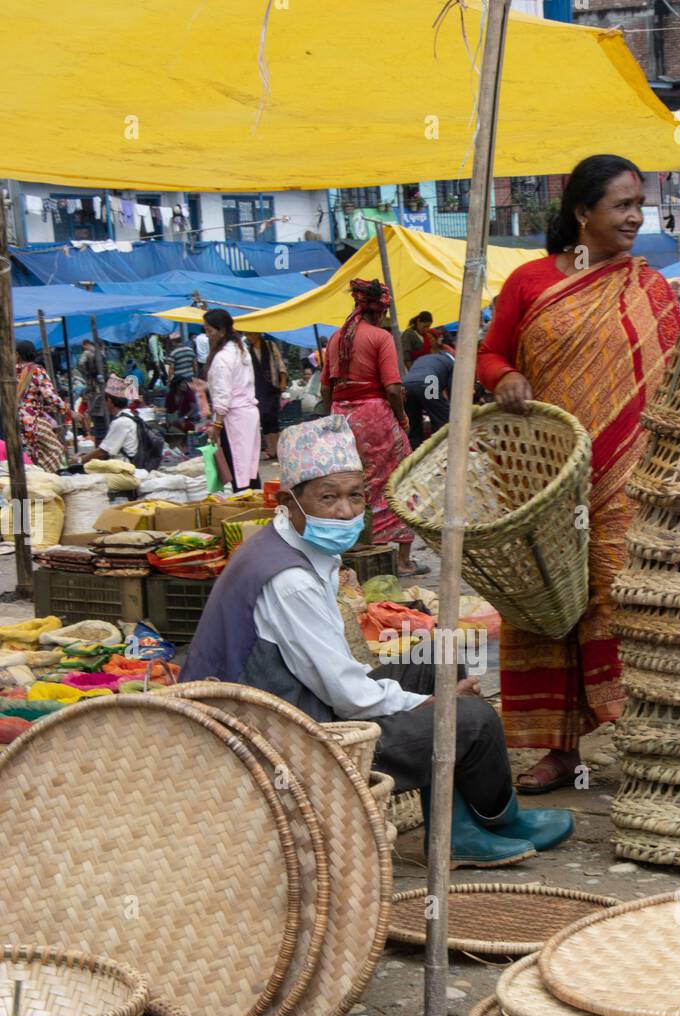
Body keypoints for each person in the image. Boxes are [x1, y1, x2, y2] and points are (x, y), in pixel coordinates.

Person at [180, 415, 572, 868]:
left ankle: (460, 826)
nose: (347, 512)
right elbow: (348, 695)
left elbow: (339, 677)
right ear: (290, 501)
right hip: (293, 743)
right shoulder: (289, 578)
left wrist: (424, 694)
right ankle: (496, 818)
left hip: (303, 707)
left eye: (355, 496)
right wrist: (427, 703)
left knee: (440, 656)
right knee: (473, 719)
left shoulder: (291, 545)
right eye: (328, 498)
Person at [476, 154, 680, 794]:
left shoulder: (647, 286)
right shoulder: (530, 280)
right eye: (622, 205)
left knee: (627, 600)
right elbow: (488, 354)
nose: (635, 216)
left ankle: (644, 736)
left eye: (638, 204)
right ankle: (558, 751)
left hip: (630, 472)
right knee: (547, 604)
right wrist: (504, 377)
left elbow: (676, 377)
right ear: (582, 212)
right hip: (546, 476)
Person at [319, 278, 426, 576]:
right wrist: (402, 418)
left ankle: (355, 546)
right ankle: (403, 561)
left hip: (341, 419)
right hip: (375, 416)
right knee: (400, 480)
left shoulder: (335, 338)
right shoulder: (380, 337)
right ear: (380, 310)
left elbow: (325, 389)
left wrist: (334, 418)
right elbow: (392, 388)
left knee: (353, 484)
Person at [201, 308, 262, 491]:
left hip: (234, 418)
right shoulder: (240, 350)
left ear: (221, 331)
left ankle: (246, 506)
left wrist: (216, 427)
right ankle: (255, 503)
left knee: (237, 468)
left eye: (209, 331)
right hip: (248, 415)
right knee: (249, 467)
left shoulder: (222, 357)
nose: (208, 336)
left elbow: (223, 396)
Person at [15, 340, 66, 473]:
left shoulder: (9, 371)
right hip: (30, 419)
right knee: (56, 449)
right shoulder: (36, 370)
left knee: (27, 455)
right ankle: (43, 477)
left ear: (18, 355)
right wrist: (67, 410)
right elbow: (49, 396)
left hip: (11, 419)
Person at [403, 339, 454, 450]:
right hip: (428, 382)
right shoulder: (451, 362)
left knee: (414, 428)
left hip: (405, 384)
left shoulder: (424, 358)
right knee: (442, 424)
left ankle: (414, 460)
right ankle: (440, 454)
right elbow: (453, 393)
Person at [79, 374, 143, 464]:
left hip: (123, 466)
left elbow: (102, 452)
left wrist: (80, 459)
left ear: (109, 401)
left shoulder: (121, 422)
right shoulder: (130, 416)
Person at [245, 331, 287, 459]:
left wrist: (283, 381)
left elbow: (280, 363)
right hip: (258, 389)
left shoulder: (269, 345)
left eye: (250, 334)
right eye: (247, 335)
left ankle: (279, 449)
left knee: (273, 418)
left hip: (272, 386)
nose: (249, 337)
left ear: (257, 334)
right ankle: (271, 450)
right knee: (264, 418)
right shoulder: (247, 351)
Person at [77, 337, 108, 442]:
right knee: (101, 410)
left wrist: (86, 374)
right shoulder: (101, 353)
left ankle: (92, 434)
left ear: (86, 344)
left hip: (92, 384)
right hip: (103, 385)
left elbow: (80, 364)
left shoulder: (87, 353)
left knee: (93, 411)